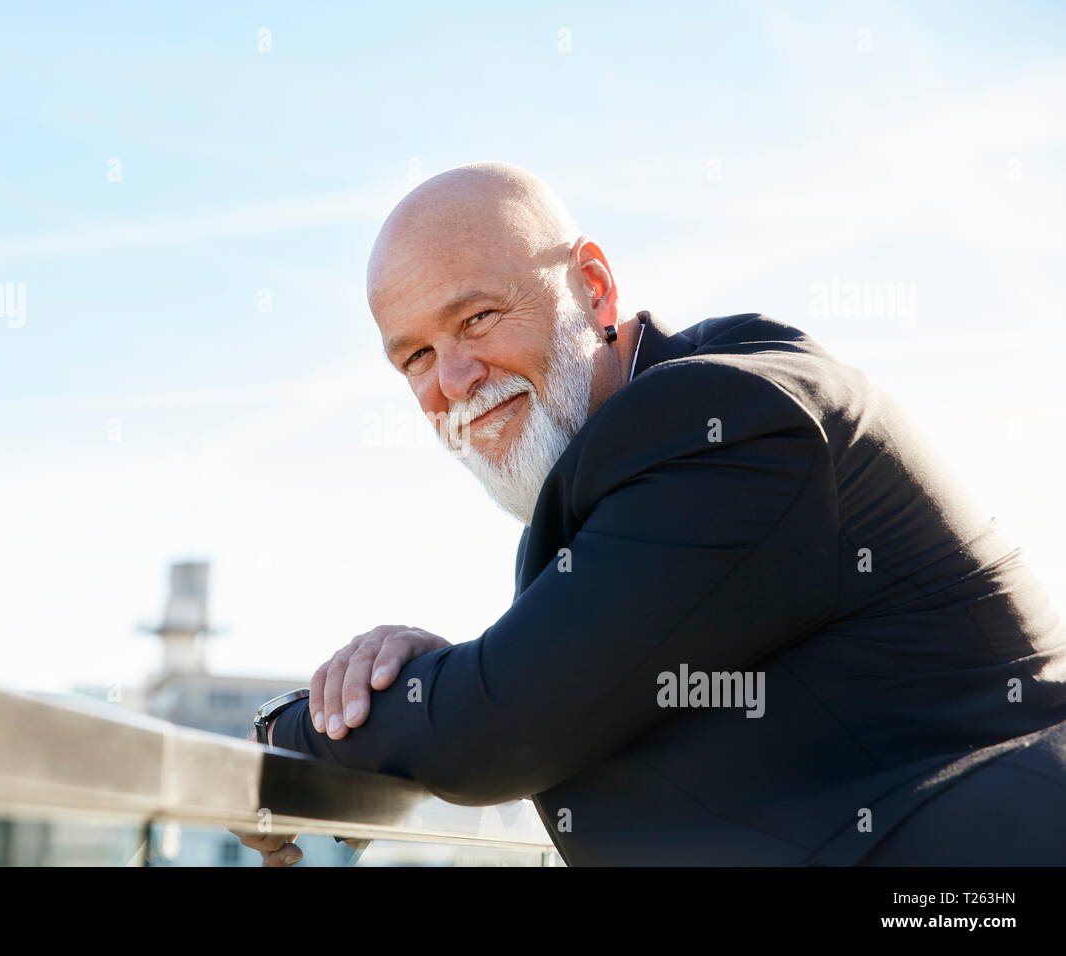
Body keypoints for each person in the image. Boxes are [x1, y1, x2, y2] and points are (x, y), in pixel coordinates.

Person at [238, 162, 1066, 866]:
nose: (451, 378)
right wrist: (440, 673)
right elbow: (569, 687)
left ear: (592, 288)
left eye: (478, 317)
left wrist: (297, 732)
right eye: (415, 356)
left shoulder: (722, 417)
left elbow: (504, 728)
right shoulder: (659, 434)